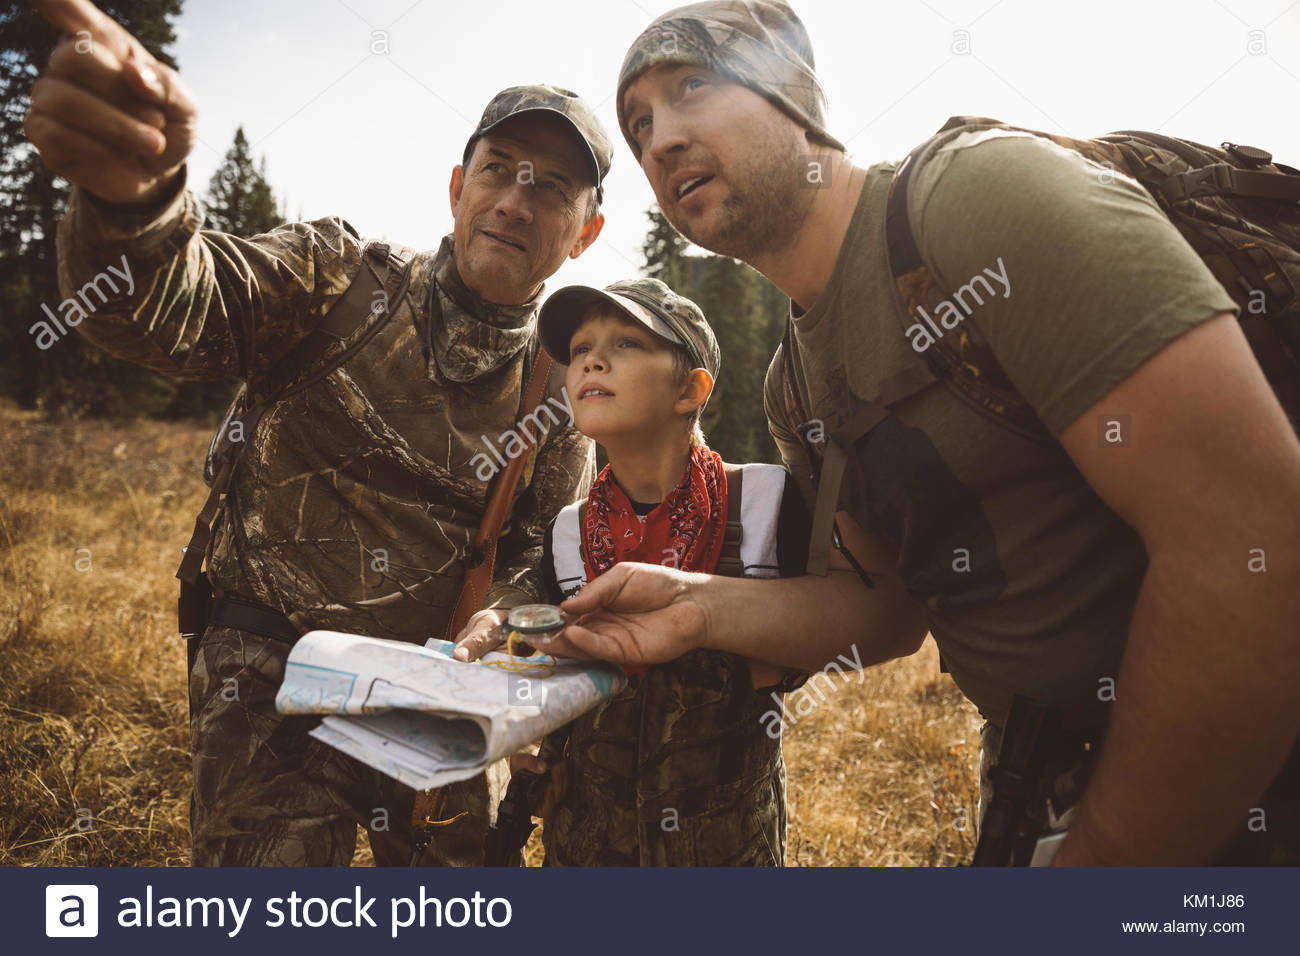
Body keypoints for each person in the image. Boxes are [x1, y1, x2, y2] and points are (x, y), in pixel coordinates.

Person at [541, 0, 1300, 865]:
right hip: (1035, 783)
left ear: (795, 92)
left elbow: (1253, 536)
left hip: (1234, 782)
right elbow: (887, 610)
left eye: (694, 87)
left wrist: (1106, 857)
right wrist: (691, 605)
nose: (661, 139)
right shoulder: (795, 384)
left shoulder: (971, 199)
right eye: (639, 125)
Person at [25, 0, 610, 866]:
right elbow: (160, 311)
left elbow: (543, 559)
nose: (518, 201)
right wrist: (135, 201)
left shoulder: (562, 389)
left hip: (441, 699)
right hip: (270, 681)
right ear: (458, 188)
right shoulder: (338, 279)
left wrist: (501, 652)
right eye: (500, 169)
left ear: (586, 233)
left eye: (552, 187)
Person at [455, 277, 811, 865]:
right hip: (587, 850)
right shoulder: (567, 534)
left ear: (690, 389)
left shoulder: (765, 502)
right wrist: (540, 753)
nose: (592, 358)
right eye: (579, 351)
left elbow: (819, 646)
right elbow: (564, 674)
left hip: (725, 854)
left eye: (626, 344)